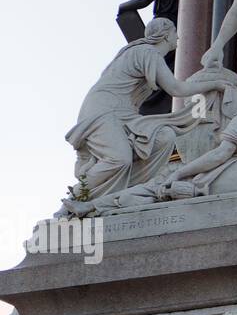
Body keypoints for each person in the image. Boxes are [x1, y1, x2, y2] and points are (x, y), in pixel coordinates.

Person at [64, 18, 221, 201]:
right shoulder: (147, 52)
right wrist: (216, 84)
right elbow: (176, 89)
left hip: (124, 115)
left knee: (164, 136)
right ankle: (77, 197)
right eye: (174, 32)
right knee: (119, 159)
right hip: (105, 110)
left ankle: (123, 193)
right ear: (165, 34)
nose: (177, 37)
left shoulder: (144, 53)